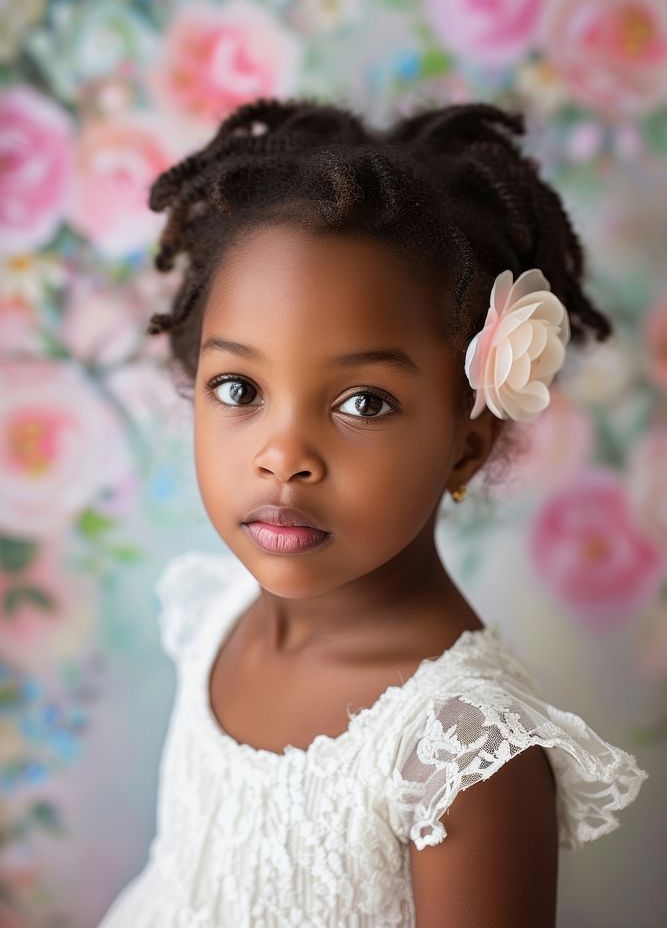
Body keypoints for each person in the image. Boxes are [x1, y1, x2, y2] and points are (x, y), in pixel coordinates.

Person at [97, 97, 649, 927]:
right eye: (239, 389)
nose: (283, 456)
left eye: (362, 402)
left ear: (464, 445)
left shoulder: (460, 754)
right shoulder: (215, 614)